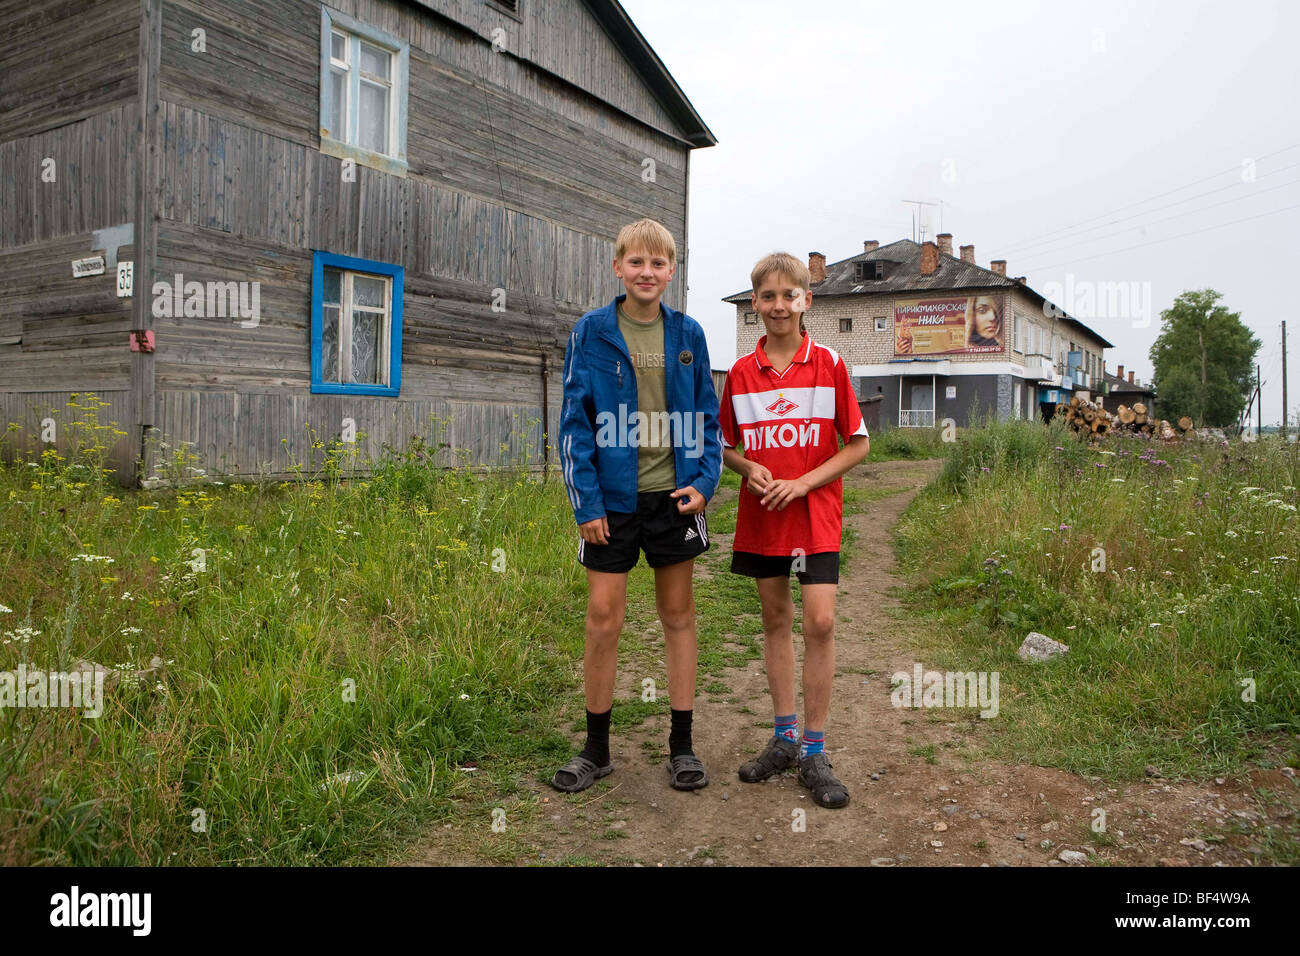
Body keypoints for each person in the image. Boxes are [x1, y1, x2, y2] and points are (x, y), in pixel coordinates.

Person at [552, 218, 722, 793]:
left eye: (658, 263)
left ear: (671, 271)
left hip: (674, 499)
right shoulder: (591, 331)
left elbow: (706, 417)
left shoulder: (689, 335)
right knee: (603, 618)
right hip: (612, 502)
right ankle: (596, 749)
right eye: (636, 262)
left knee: (678, 617)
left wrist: (704, 482)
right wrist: (587, 503)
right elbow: (574, 422)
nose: (646, 272)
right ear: (618, 267)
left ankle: (682, 745)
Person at [718, 252, 869, 809]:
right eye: (768, 296)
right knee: (776, 619)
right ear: (754, 302)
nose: (779, 305)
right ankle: (783, 738)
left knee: (821, 622)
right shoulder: (739, 373)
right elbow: (725, 445)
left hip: (816, 516)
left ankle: (815, 748)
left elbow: (858, 443)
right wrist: (746, 467)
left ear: (807, 300)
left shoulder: (829, 363)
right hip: (765, 519)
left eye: (790, 295)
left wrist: (804, 483)